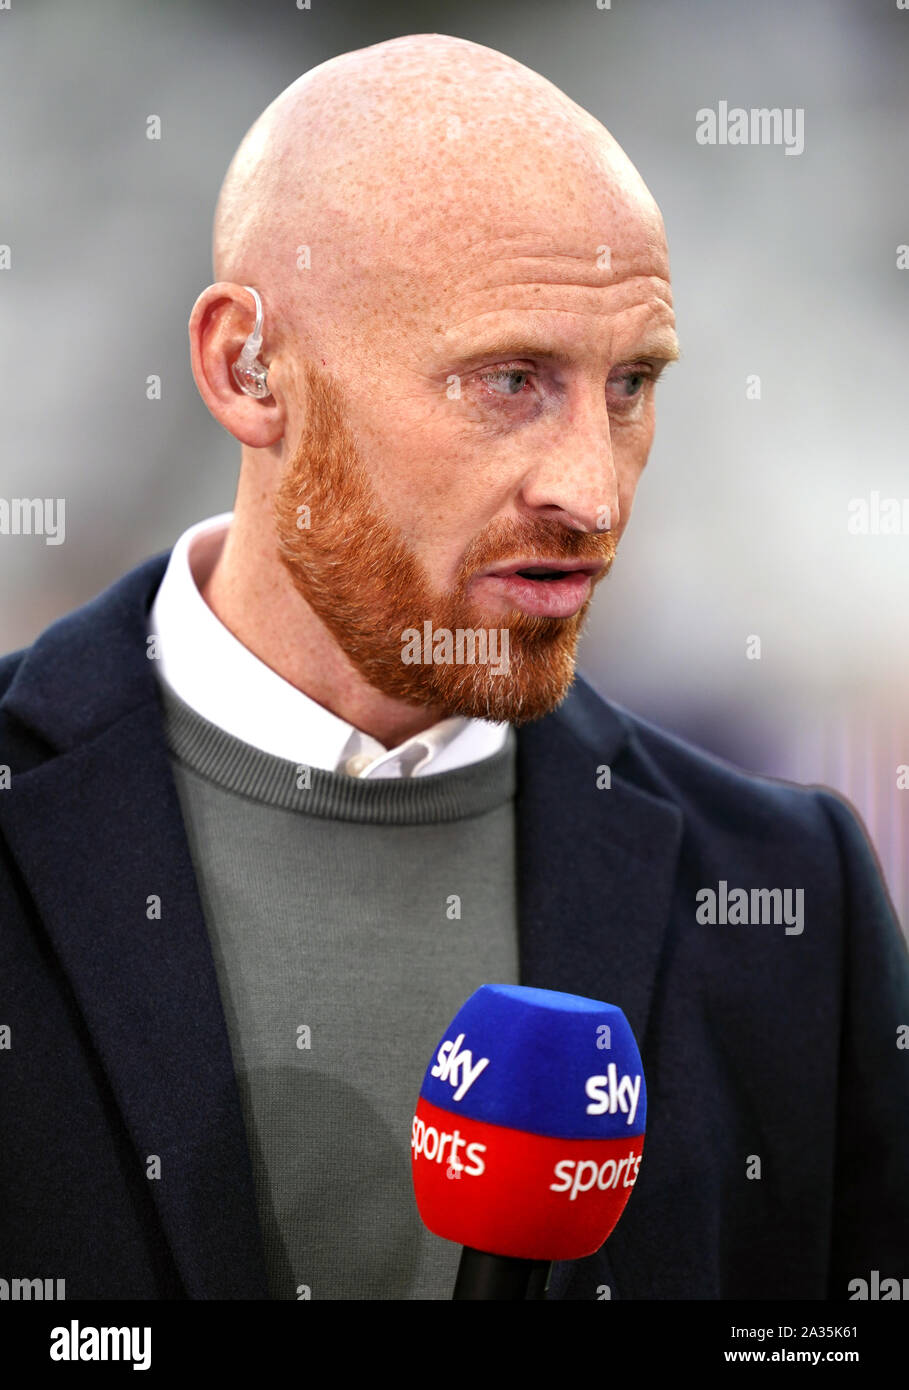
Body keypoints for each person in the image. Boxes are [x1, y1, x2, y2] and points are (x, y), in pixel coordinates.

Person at [1, 33, 906, 1302]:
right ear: (246, 369)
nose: (593, 490)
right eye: (509, 381)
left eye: (632, 383)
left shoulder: (786, 892)